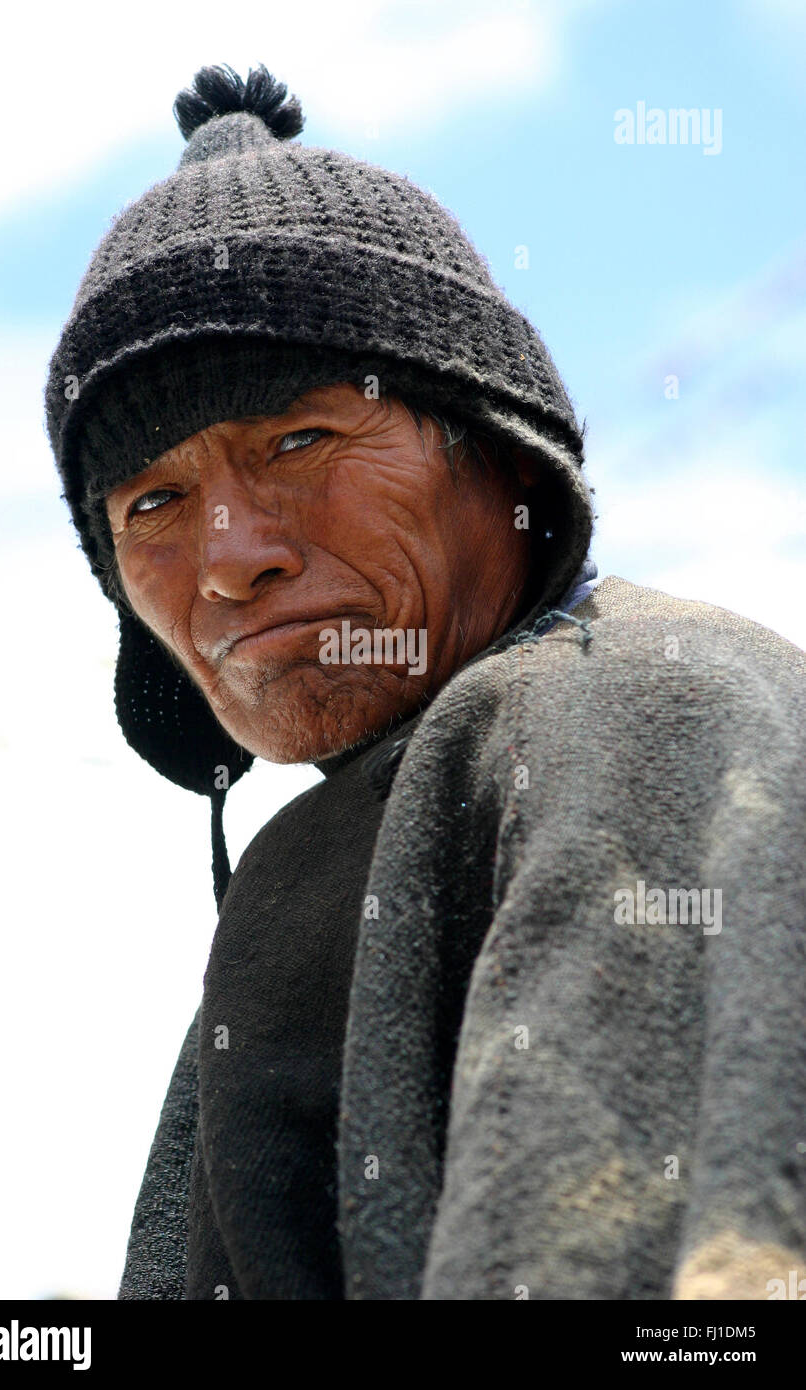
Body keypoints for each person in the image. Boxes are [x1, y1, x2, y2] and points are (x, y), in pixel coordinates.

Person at [44, 61, 806, 1301]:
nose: (231, 559)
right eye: (154, 502)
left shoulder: (637, 711)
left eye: (299, 439)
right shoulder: (337, 849)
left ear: (491, 448)